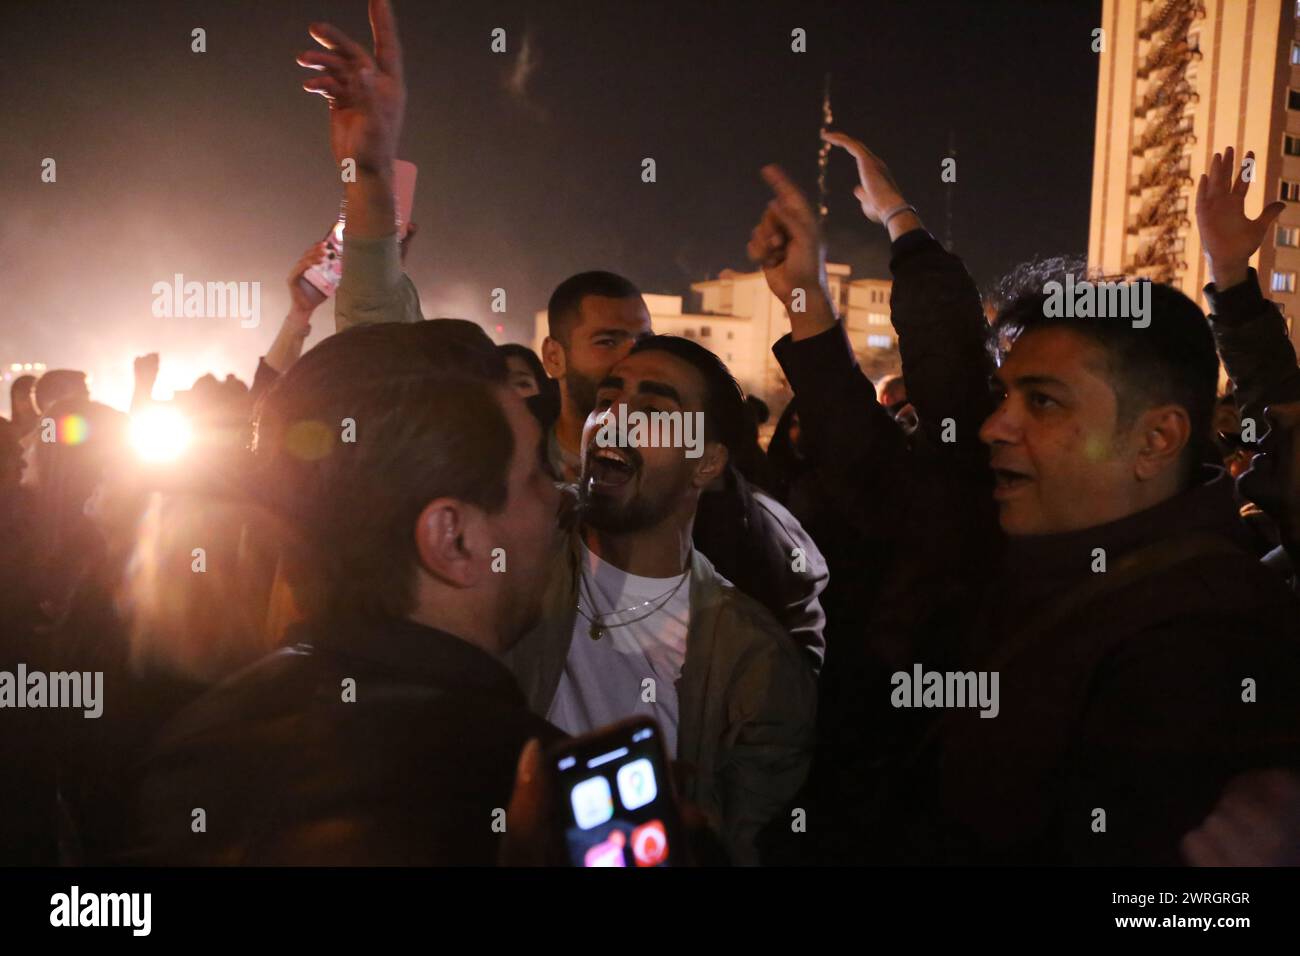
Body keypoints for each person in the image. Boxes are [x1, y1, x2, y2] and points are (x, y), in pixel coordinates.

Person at [749, 134, 1300, 864]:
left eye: (1042, 402)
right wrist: (812, 289)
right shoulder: (1003, 527)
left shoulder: (1201, 639)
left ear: (1158, 438)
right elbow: (895, 434)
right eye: (1006, 392)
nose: (993, 423)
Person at [508, 334, 816, 864]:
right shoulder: (516, 554)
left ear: (707, 462)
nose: (613, 420)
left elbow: (746, 842)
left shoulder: (753, 660)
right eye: (605, 402)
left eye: (652, 410)